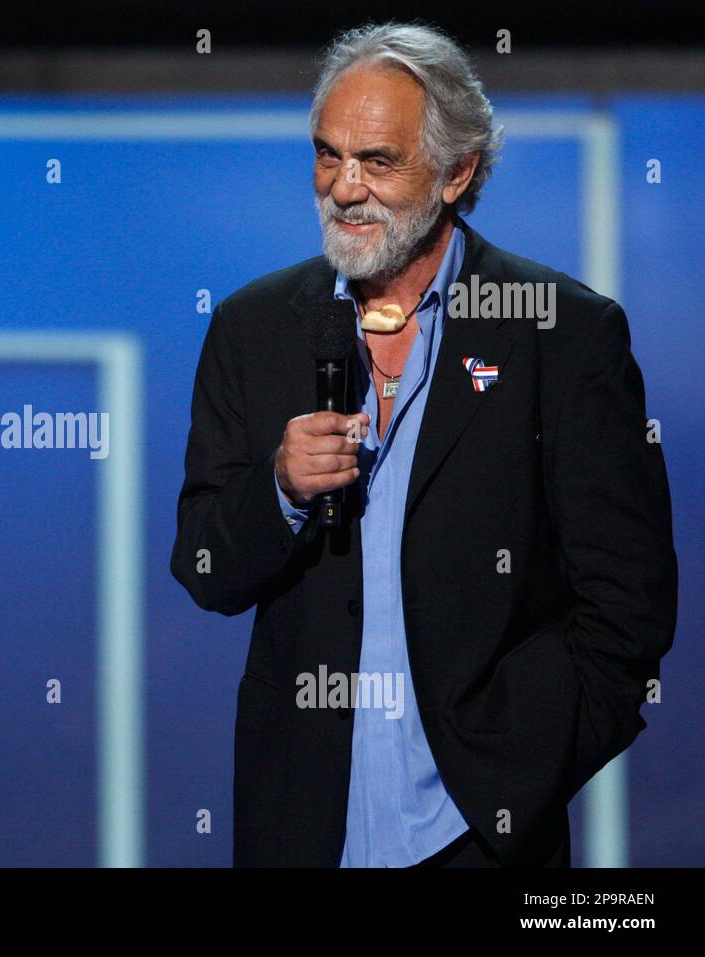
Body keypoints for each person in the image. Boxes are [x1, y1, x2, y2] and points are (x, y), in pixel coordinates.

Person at [170, 23, 676, 867]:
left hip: (481, 833)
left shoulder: (563, 333)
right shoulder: (252, 327)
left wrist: (520, 766)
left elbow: (630, 604)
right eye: (328, 155)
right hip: (302, 827)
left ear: (457, 172)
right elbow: (203, 567)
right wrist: (280, 491)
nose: (343, 187)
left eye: (377, 160)